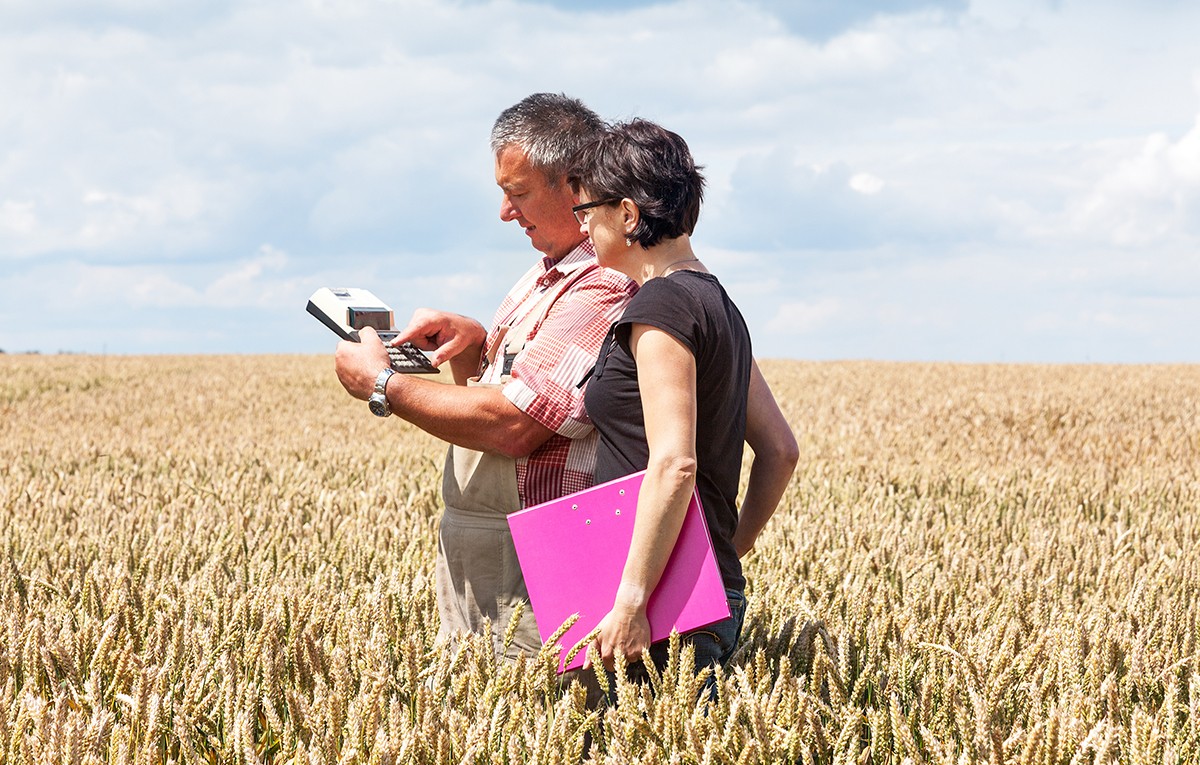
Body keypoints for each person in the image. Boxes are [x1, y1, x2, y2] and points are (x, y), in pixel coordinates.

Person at [334, 93, 637, 660]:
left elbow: (516, 426)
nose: (504, 212)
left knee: (538, 709)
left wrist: (383, 384)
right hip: (486, 557)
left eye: (518, 193)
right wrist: (473, 347)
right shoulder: (543, 277)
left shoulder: (601, 284)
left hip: (537, 562)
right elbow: (507, 400)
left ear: (576, 187)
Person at [568, 119, 799, 686]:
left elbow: (674, 463)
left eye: (586, 211)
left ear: (627, 214)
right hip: (699, 592)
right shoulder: (717, 305)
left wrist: (631, 598)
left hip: (656, 607)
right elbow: (780, 450)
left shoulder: (661, 307)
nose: (583, 226)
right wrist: (726, 552)